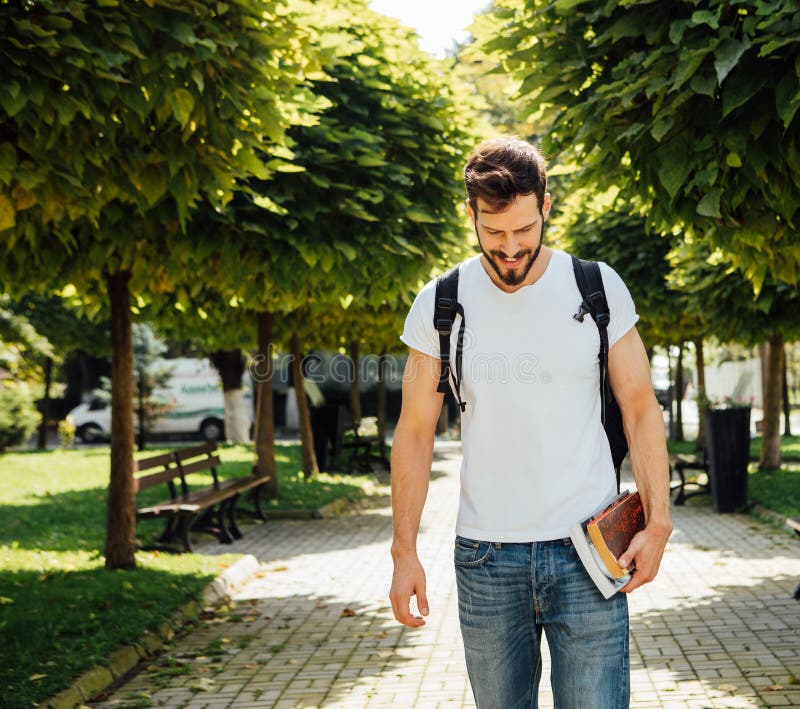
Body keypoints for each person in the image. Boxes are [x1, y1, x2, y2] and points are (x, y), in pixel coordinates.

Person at [388, 136, 672, 708]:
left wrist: (659, 521)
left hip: (590, 554)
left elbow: (641, 406)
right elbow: (415, 432)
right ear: (470, 214)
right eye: (493, 232)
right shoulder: (440, 304)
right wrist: (403, 552)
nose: (511, 247)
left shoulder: (596, 288)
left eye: (523, 229)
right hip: (487, 560)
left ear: (546, 205)